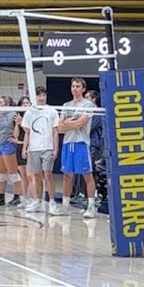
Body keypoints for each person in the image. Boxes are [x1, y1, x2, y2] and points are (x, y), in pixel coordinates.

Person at [55, 77, 97, 218]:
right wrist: (72, 122)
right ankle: (65, 206)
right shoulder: (66, 105)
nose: (75, 88)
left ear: (83, 88)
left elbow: (81, 123)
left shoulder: (88, 105)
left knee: (87, 175)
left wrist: (68, 122)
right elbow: (60, 128)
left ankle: (91, 206)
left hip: (81, 143)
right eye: (73, 86)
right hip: (68, 143)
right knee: (67, 175)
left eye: (78, 86)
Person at [21, 86, 61, 214]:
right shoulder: (29, 112)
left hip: (47, 147)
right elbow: (27, 132)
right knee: (37, 176)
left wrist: (55, 148)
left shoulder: (52, 111)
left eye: (43, 95)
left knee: (48, 174)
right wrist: (24, 148)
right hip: (33, 148)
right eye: (39, 95)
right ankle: (37, 201)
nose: (41, 98)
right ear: (35, 97)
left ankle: (52, 201)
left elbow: (56, 131)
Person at [0, 95, 23, 207]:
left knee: (13, 172)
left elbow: (17, 130)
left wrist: (14, 139)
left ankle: (17, 197)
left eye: (1, 102)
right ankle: (1, 197)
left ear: (7, 104)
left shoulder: (13, 114)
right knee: (1, 173)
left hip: (8, 145)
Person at [15, 95, 32, 198]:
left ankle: (31, 198)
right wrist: (17, 124)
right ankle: (24, 198)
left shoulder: (32, 116)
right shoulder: (18, 116)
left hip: (31, 147)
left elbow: (29, 132)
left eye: (27, 103)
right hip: (20, 147)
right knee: (22, 176)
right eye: (23, 103)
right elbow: (16, 135)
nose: (26, 105)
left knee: (30, 175)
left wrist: (21, 123)